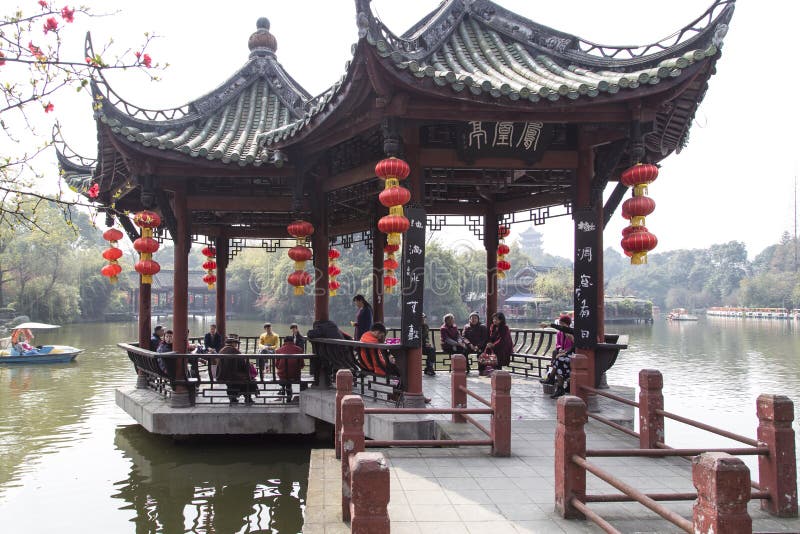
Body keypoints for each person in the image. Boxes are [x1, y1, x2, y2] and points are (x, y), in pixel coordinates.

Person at [217, 335, 257, 404]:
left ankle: (233, 398)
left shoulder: (222, 350)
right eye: (235, 343)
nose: (236, 344)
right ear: (232, 343)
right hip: (233, 376)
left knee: (234, 380)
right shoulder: (235, 351)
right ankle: (248, 398)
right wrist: (250, 365)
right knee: (249, 379)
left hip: (222, 375)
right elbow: (243, 364)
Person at [540, 315, 574, 386]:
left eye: (562, 324)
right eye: (560, 323)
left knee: (559, 360)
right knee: (557, 355)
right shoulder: (560, 333)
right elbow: (558, 344)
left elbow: (573, 346)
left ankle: (552, 379)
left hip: (571, 354)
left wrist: (565, 352)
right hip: (564, 352)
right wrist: (560, 349)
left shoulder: (571, 332)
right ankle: (553, 381)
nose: (561, 325)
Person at [275, 336, 305, 402]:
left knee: (285, 375)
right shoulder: (299, 349)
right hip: (295, 375)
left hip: (283, 375)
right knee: (290, 374)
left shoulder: (278, 350)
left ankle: (285, 392)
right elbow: (302, 365)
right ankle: (288, 395)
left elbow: (277, 365)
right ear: (293, 341)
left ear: (284, 342)